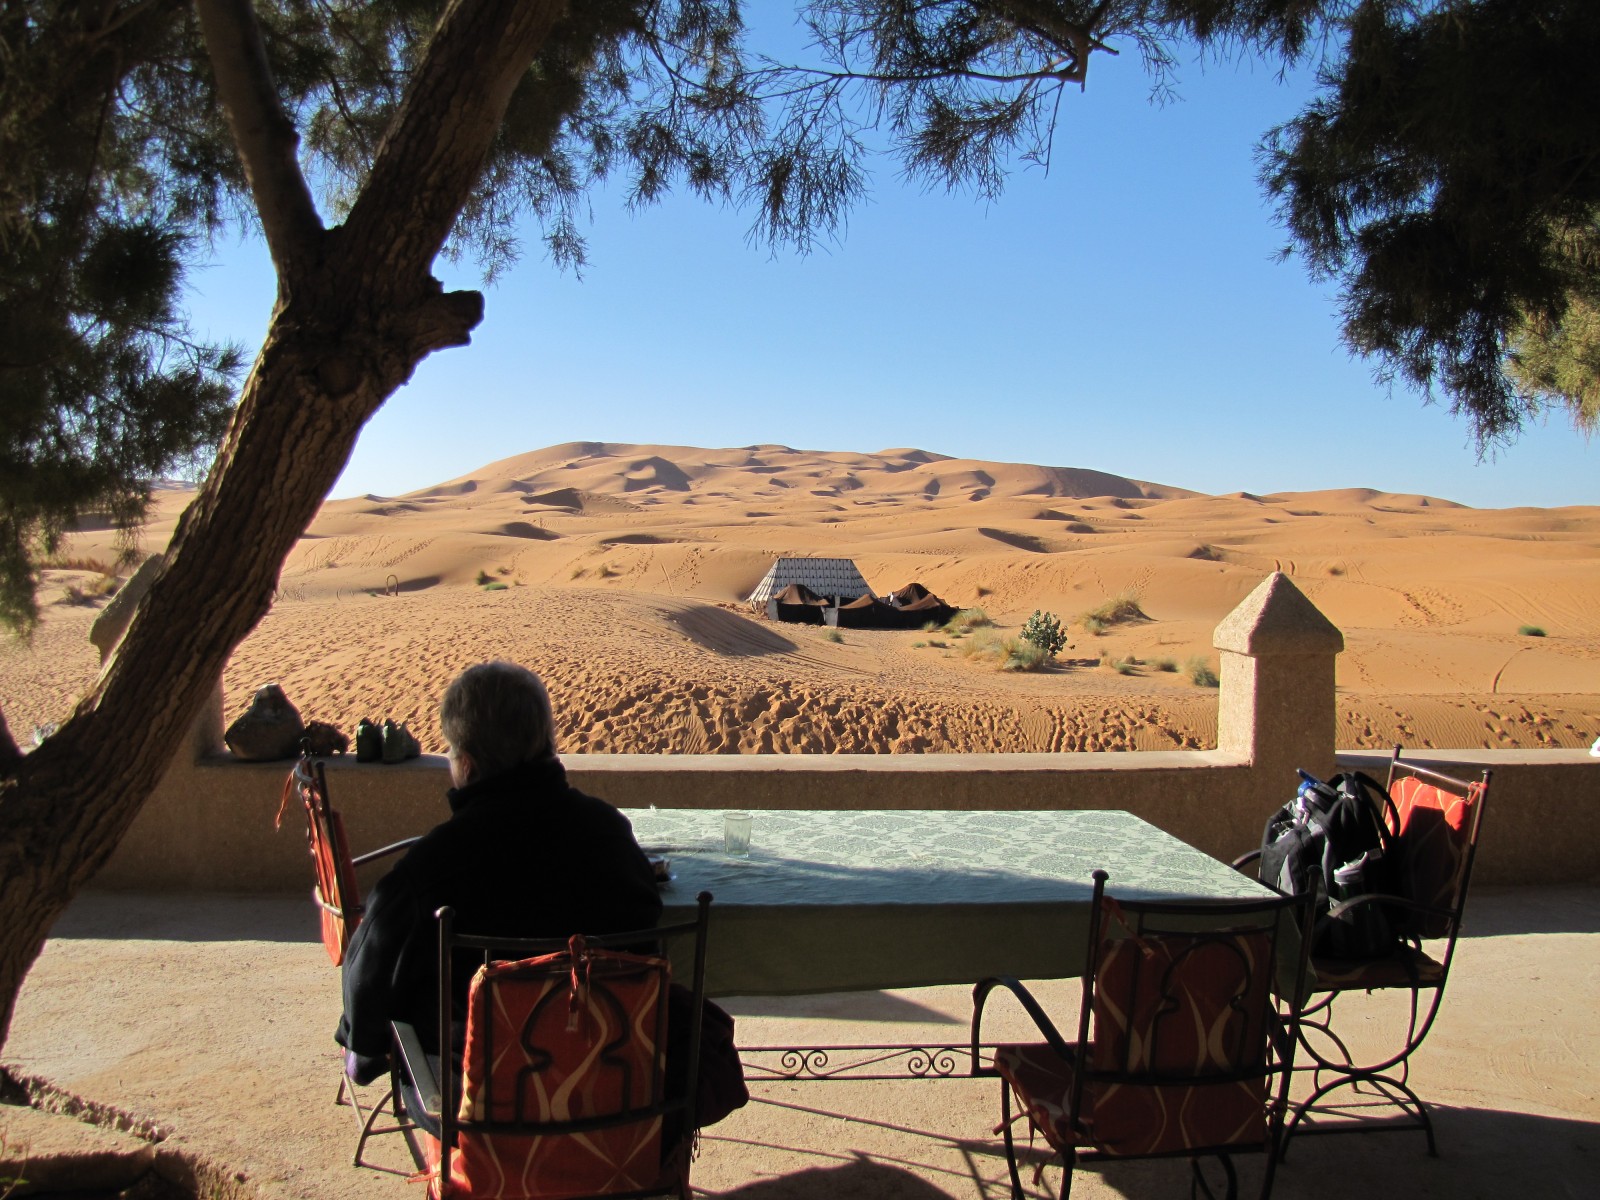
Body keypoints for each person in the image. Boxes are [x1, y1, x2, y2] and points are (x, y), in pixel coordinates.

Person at [334, 660, 664, 1084]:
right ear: (548, 740)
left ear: (467, 764)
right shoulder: (610, 835)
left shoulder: (433, 868)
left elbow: (366, 1003)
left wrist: (366, 1047)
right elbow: (647, 939)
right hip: (610, 1092)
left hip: (480, 1112)